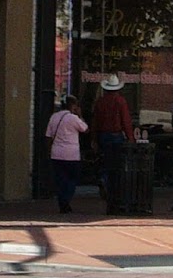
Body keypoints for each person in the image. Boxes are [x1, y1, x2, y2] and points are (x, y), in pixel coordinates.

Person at [90, 74, 135, 204]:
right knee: (116, 163)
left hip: (103, 135)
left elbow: (95, 122)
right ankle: (112, 187)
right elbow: (126, 121)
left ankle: (104, 178)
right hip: (116, 135)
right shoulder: (121, 101)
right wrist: (130, 138)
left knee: (105, 160)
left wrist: (94, 138)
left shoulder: (100, 102)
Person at [45, 95, 87, 214]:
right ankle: (66, 200)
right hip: (71, 154)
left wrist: (49, 151)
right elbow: (85, 129)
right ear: (73, 105)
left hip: (56, 153)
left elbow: (48, 136)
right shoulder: (73, 118)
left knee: (60, 179)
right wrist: (80, 115)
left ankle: (62, 201)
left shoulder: (54, 117)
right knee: (72, 179)